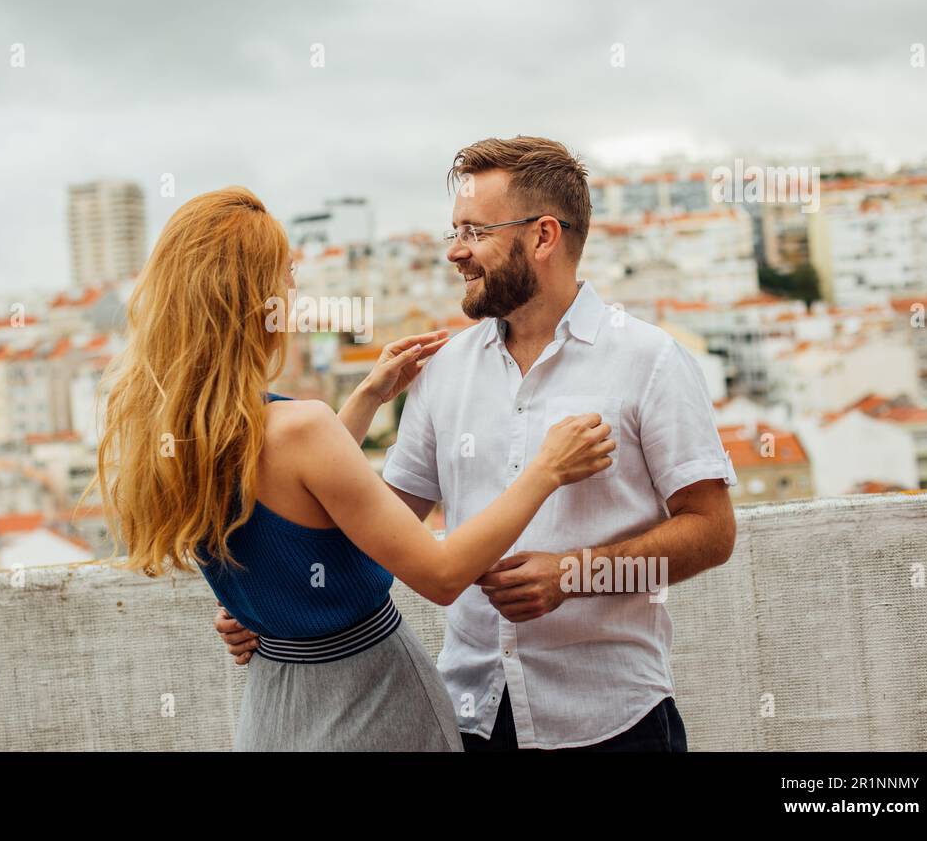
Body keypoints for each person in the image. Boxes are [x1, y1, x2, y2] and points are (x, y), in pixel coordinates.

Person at [217, 136, 739, 751]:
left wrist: (575, 574)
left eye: (472, 231)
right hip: (473, 715)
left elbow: (712, 530)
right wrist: (268, 602)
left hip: (612, 719)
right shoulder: (443, 369)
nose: (455, 252)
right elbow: (376, 527)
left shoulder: (650, 361)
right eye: (452, 232)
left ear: (544, 236)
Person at [98, 185, 614, 751]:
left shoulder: (183, 436)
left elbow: (295, 508)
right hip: (371, 700)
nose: (292, 292)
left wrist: (366, 398)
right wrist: (546, 470)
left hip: (274, 702)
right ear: (250, 299)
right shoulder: (298, 429)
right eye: (284, 276)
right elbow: (441, 576)